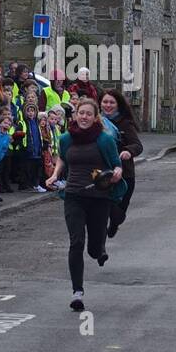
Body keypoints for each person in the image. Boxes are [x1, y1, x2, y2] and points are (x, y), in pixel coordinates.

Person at [46, 97, 126, 312]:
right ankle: (77, 292)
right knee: (76, 242)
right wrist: (55, 175)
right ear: (75, 115)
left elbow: (116, 165)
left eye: (89, 114)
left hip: (99, 198)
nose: (84, 117)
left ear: (95, 116)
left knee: (93, 248)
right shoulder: (66, 139)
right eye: (81, 113)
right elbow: (62, 158)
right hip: (74, 195)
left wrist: (117, 173)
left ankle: (99, 250)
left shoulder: (104, 140)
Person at [100, 89, 143, 237]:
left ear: (118, 105)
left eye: (112, 102)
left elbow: (137, 145)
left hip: (125, 175)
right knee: (102, 210)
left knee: (119, 212)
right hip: (103, 174)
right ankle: (100, 245)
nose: (108, 105)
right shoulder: (95, 122)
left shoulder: (125, 124)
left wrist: (128, 151)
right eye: (105, 102)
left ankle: (114, 224)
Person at [13, 90, 45, 190]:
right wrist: (22, 146)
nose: (31, 113)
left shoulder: (37, 123)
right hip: (26, 150)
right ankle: (24, 185)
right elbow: (18, 135)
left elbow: (38, 136)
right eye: (28, 111)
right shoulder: (22, 123)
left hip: (36, 149)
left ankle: (32, 184)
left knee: (34, 168)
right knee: (25, 168)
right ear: (25, 112)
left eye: (33, 111)